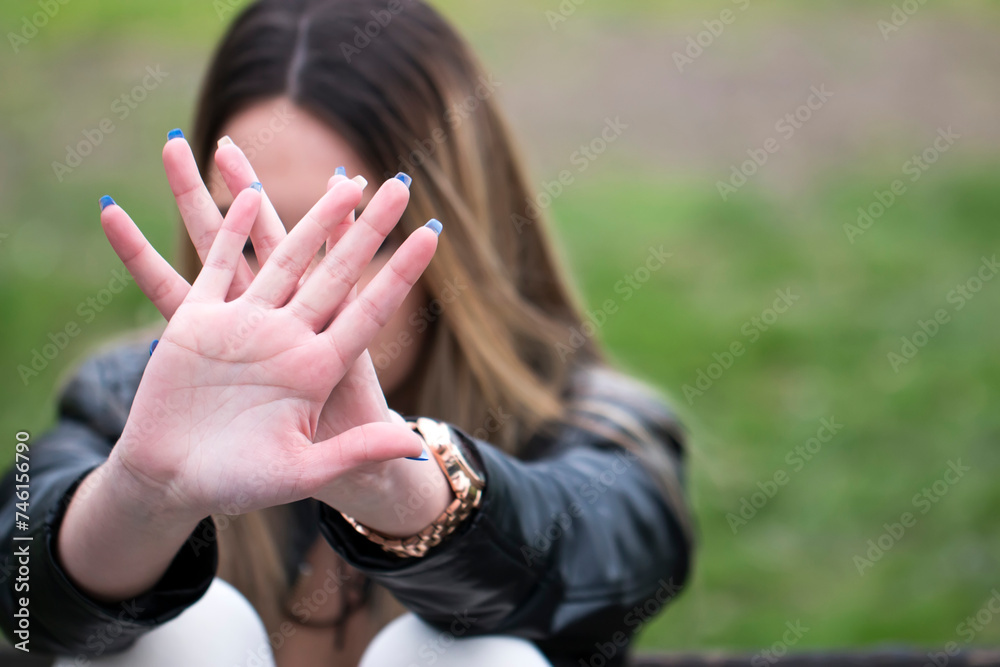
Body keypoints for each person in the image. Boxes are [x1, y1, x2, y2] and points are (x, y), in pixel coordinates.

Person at [0, 1, 695, 665]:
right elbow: (19, 603)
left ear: (460, 234)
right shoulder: (125, 394)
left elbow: (612, 561)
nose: (297, 289)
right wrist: (142, 496)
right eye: (243, 234)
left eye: (357, 236)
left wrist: (406, 491)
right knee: (185, 635)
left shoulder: (590, 418)